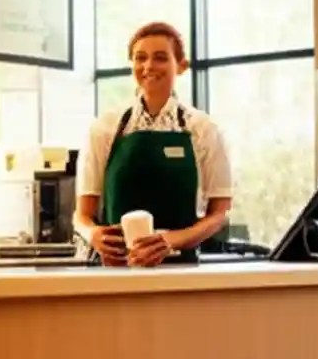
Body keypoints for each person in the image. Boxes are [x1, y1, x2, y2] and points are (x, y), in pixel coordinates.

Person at [74, 22, 233, 267]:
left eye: (160, 58)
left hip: (182, 271)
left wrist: (170, 240)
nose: (148, 66)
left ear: (181, 66)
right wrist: (93, 234)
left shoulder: (203, 129)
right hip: (115, 271)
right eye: (140, 58)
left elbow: (218, 214)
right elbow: (82, 216)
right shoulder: (104, 128)